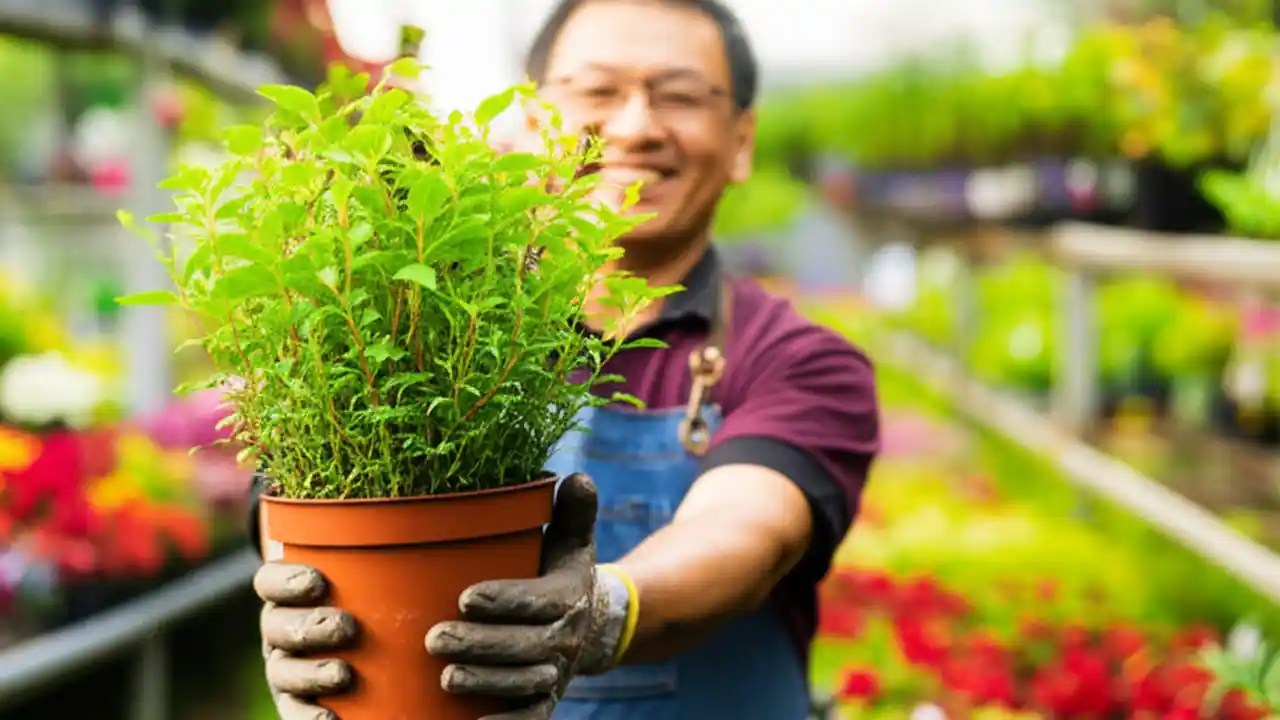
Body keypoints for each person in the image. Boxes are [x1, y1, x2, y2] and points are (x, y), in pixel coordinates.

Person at [250, 1, 880, 718]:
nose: (636, 126)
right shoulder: (421, 328)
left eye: (678, 95)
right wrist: (310, 610)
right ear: (529, 118)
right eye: (595, 91)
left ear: (741, 140)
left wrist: (604, 610)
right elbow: (296, 505)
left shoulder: (798, 360)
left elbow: (748, 535)